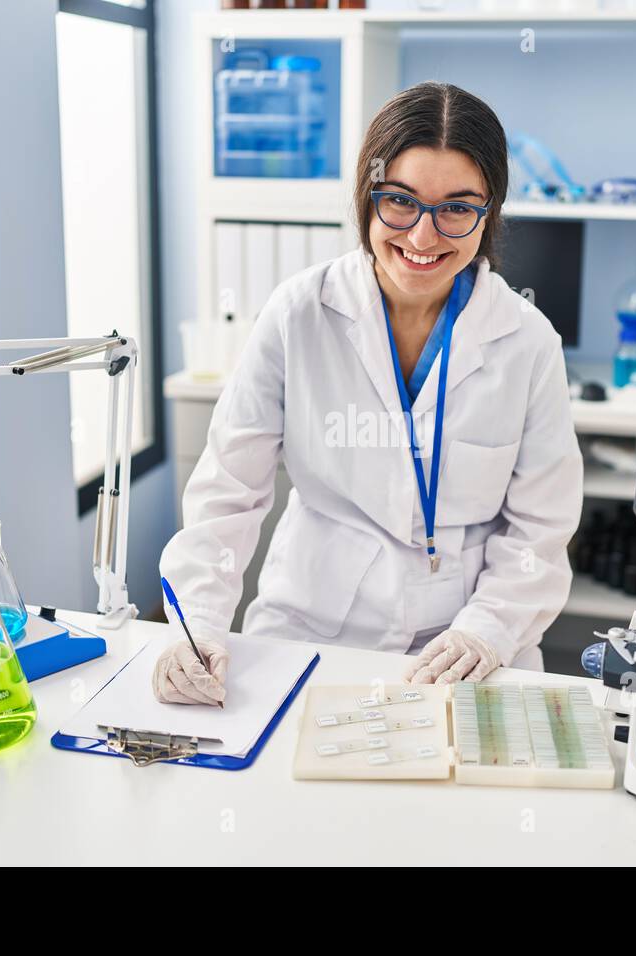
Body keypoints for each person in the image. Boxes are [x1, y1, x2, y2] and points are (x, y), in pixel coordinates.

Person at [154, 81, 583, 706]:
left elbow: (540, 530)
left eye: (457, 208)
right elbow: (228, 492)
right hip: (310, 628)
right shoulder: (299, 314)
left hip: (466, 645)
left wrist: (488, 631)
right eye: (400, 202)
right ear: (367, 196)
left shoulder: (527, 342)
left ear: (489, 213)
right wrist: (196, 624)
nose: (424, 235)